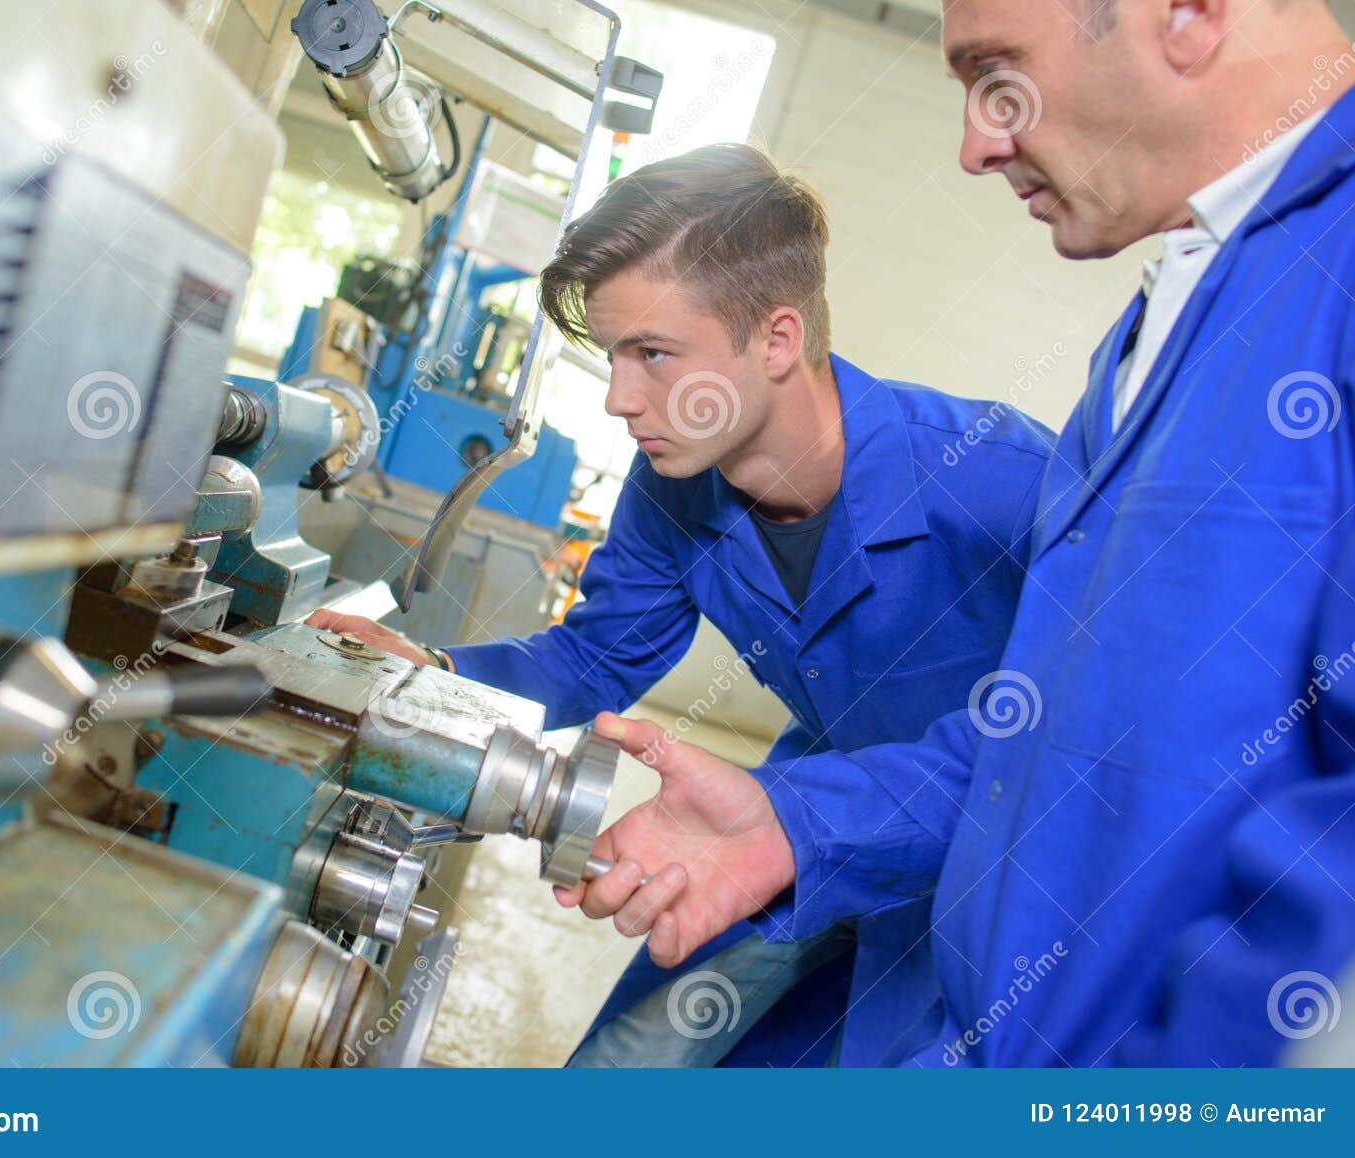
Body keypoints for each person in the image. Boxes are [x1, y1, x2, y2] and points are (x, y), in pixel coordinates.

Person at [560, 0, 1355, 1066]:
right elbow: (1042, 744)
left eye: (998, 76)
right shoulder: (1157, 328)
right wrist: (798, 822)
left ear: (1190, 13)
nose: (976, 144)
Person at [308, 143, 1056, 1066]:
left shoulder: (1010, 488)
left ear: (777, 339)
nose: (623, 399)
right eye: (615, 356)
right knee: (633, 1062)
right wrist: (436, 681)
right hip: (796, 803)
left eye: (654, 354)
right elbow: (593, 661)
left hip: (998, 854)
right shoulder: (673, 485)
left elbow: (1099, 740)